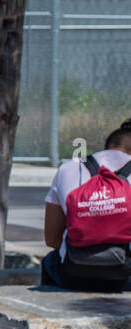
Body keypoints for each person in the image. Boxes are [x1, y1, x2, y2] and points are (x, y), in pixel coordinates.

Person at [41, 118, 131, 291]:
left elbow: (52, 239)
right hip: (126, 277)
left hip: (74, 274)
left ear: (109, 146)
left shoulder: (68, 168)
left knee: (50, 261)